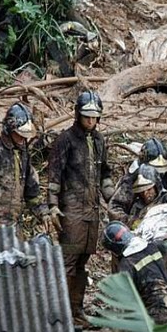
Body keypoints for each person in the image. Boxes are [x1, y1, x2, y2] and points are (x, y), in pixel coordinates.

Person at [47, 91, 111, 317]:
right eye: (87, 117)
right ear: (78, 115)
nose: (91, 122)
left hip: (91, 212)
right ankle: (60, 313)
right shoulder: (66, 139)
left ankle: (76, 308)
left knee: (83, 262)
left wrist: (111, 199)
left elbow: (105, 174)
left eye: (94, 118)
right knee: (68, 262)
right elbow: (54, 175)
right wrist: (53, 206)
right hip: (71, 211)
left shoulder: (100, 140)